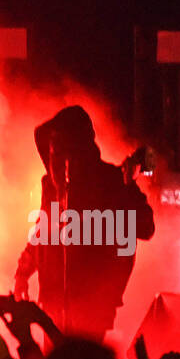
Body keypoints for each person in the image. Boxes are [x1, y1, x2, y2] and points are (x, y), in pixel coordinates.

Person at [13, 106, 154, 339]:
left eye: (62, 151)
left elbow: (146, 228)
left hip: (94, 303)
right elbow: (41, 233)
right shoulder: (51, 188)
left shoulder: (112, 182)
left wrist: (129, 189)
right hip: (54, 301)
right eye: (52, 151)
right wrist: (22, 274)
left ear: (81, 150)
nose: (56, 159)